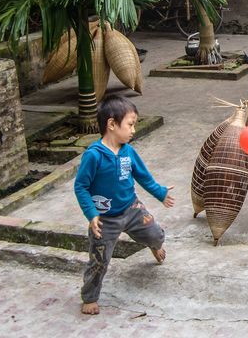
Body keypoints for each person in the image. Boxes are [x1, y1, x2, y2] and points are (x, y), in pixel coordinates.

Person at [74, 95, 174, 315]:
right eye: (130, 124)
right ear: (112, 124)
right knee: (99, 261)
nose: (133, 130)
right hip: (104, 221)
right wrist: (91, 214)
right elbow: (80, 187)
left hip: (132, 209)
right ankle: (89, 297)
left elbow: (143, 177)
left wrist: (160, 192)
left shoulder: (128, 151)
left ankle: (154, 246)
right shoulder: (94, 156)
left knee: (156, 234)